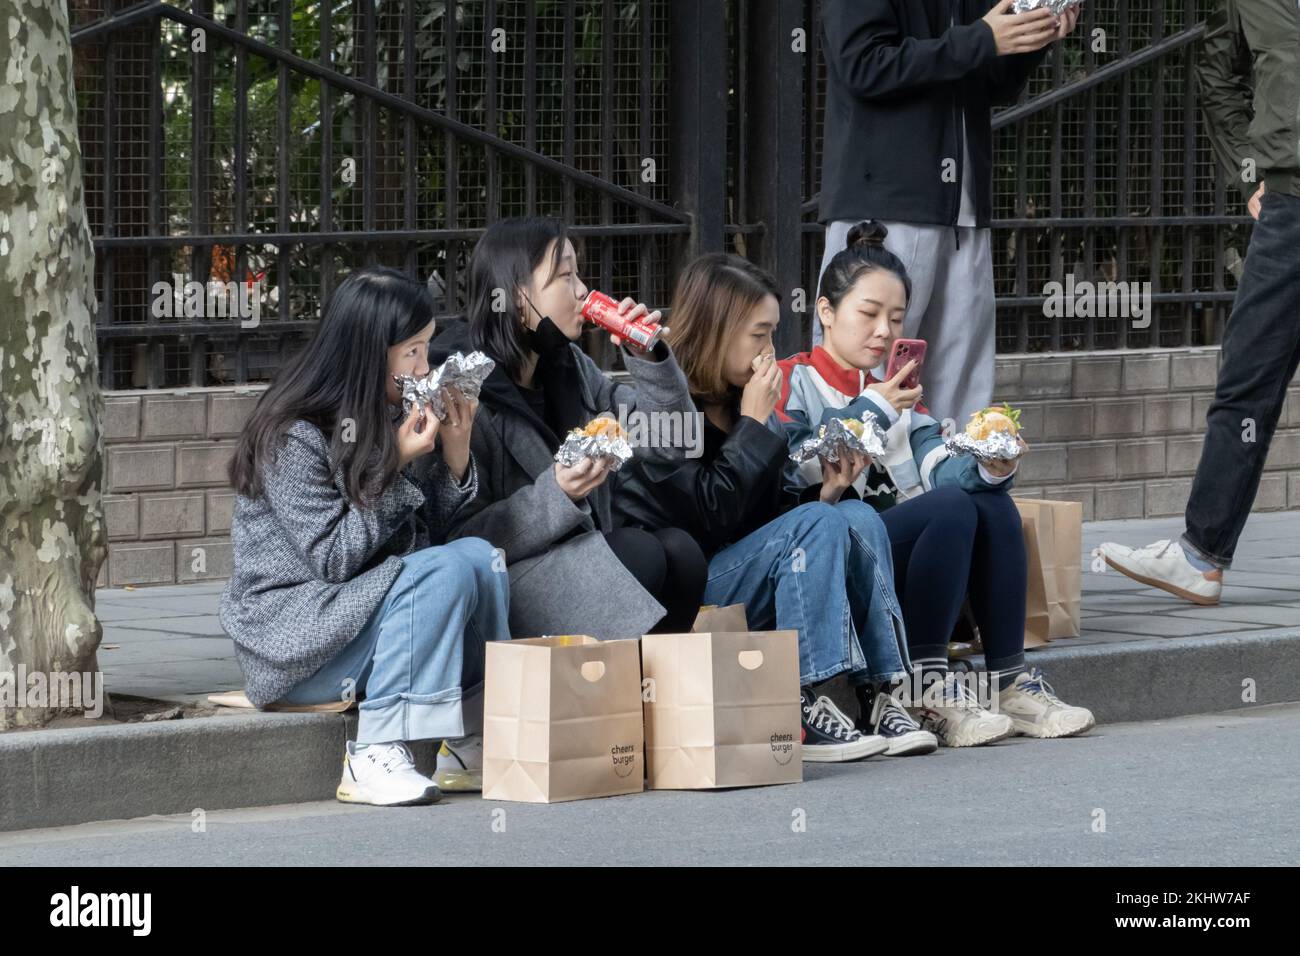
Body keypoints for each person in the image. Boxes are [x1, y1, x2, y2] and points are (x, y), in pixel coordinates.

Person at [780, 222, 1095, 744]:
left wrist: (991, 465)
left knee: (989, 503)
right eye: (869, 313)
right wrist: (877, 406)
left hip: (913, 567)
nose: (884, 331)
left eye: (896, 318)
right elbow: (800, 467)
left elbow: (938, 466)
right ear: (826, 311)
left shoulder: (901, 396)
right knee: (951, 508)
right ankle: (922, 686)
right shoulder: (795, 380)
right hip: (837, 563)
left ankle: (1008, 681)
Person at [221, 267, 509, 807]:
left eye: (426, 350)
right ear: (368, 352)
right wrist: (394, 464)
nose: (425, 369)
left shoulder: (389, 411)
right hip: (295, 645)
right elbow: (334, 556)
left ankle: (471, 739)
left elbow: (435, 538)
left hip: (358, 618)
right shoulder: (291, 435)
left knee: (477, 557)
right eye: (413, 354)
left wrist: (455, 453)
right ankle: (373, 750)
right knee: (446, 568)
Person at [617, 253, 922, 761]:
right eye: (759, 334)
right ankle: (804, 699)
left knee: (856, 514)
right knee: (822, 520)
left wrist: (822, 492)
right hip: (692, 586)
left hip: (748, 569)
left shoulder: (746, 400)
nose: (770, 351)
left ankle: (880, 693)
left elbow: (770, 514)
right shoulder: (662, 407)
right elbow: (708, 517)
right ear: (717, 329)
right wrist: (754, 427)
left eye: (774, 334)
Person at [1099, 0, 1300, 605]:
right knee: (1246, 379)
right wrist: (1251, 176)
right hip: (1291, 202)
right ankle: (1200, 556)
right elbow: (1219, 74)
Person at [437, 216, 708, 641]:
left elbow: (674, 440)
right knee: (640, 556)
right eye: (565, 276)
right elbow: (459, 537)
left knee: (682, 555)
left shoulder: (571, 368)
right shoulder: (466, 392)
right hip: (505, 584)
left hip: (578, 564)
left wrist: (650, 358)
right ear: (516, 296)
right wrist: (557, 493)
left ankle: (645, 693)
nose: (583, 290)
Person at [814, 0, 1078, 423]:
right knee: (863, 378)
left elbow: (991, 82)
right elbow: (862, 64)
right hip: (885, 209)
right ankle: (853, 490)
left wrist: (1031, 36)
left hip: (964, 213)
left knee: (962, 391)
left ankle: (956, 486)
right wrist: (980, 39)